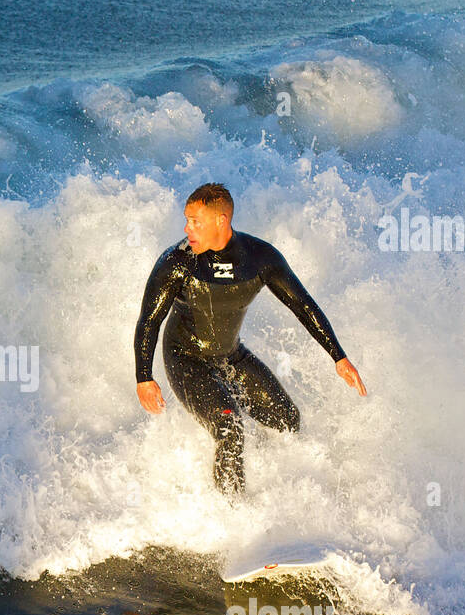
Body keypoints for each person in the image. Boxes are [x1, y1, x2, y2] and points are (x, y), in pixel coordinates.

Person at [133, 183, 366, 494]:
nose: (187, 229)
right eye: (187, 220)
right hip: (186, 360)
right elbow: (149, 321)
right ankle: (232, 512)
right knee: (229, 428)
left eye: (195, 221)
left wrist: (339, 357)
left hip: (232, 356)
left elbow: (302, 305)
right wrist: (144, 377)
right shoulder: (177, 262)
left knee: (287, 420)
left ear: (221, 220)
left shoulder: (259, 257)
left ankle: (278, 491)